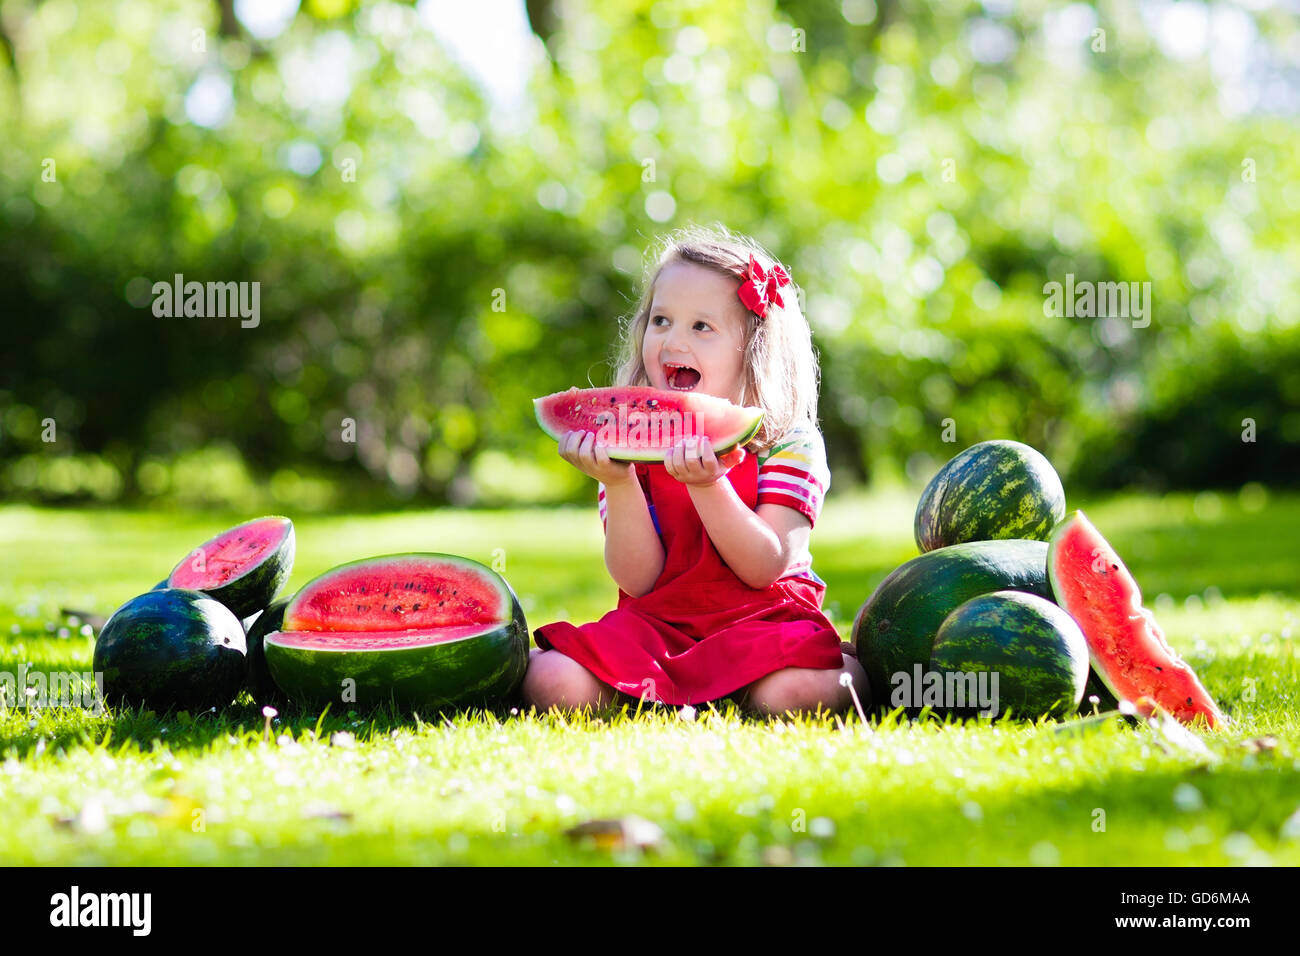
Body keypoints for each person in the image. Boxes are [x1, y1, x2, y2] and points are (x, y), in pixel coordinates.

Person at [523, 224, 868, 717]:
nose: (672, 341)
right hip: (658, 626)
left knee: (798, 693)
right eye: (660, 321)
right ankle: (689, 689)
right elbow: (638, 580)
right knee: (550, 679)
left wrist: (709, 485)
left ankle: (694, 693)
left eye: (701, 327)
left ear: (754, 348)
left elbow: (765, 565)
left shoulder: (788, 441)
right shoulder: (628, 441)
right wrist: (617, 482)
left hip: (763, 623)